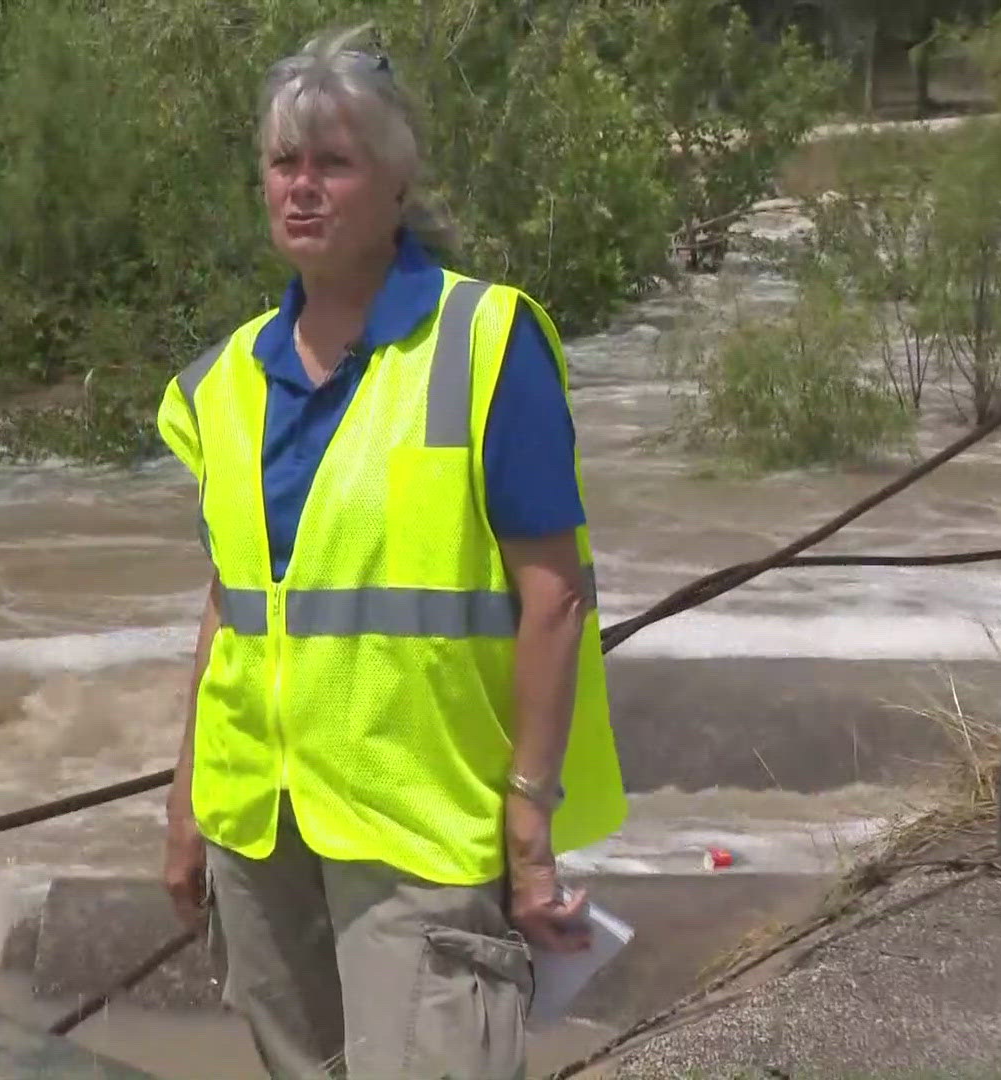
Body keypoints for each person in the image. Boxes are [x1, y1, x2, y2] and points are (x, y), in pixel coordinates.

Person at [153, 24, 628, 1080]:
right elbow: (232, 610)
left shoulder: (485, 344)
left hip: (419, 828)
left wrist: (531, 830)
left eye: (335, 162)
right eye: (286, 163)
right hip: (263, 827)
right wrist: (187, 808)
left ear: (397, 182)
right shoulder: (225, 380)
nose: (304, 187)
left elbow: (553, 598)